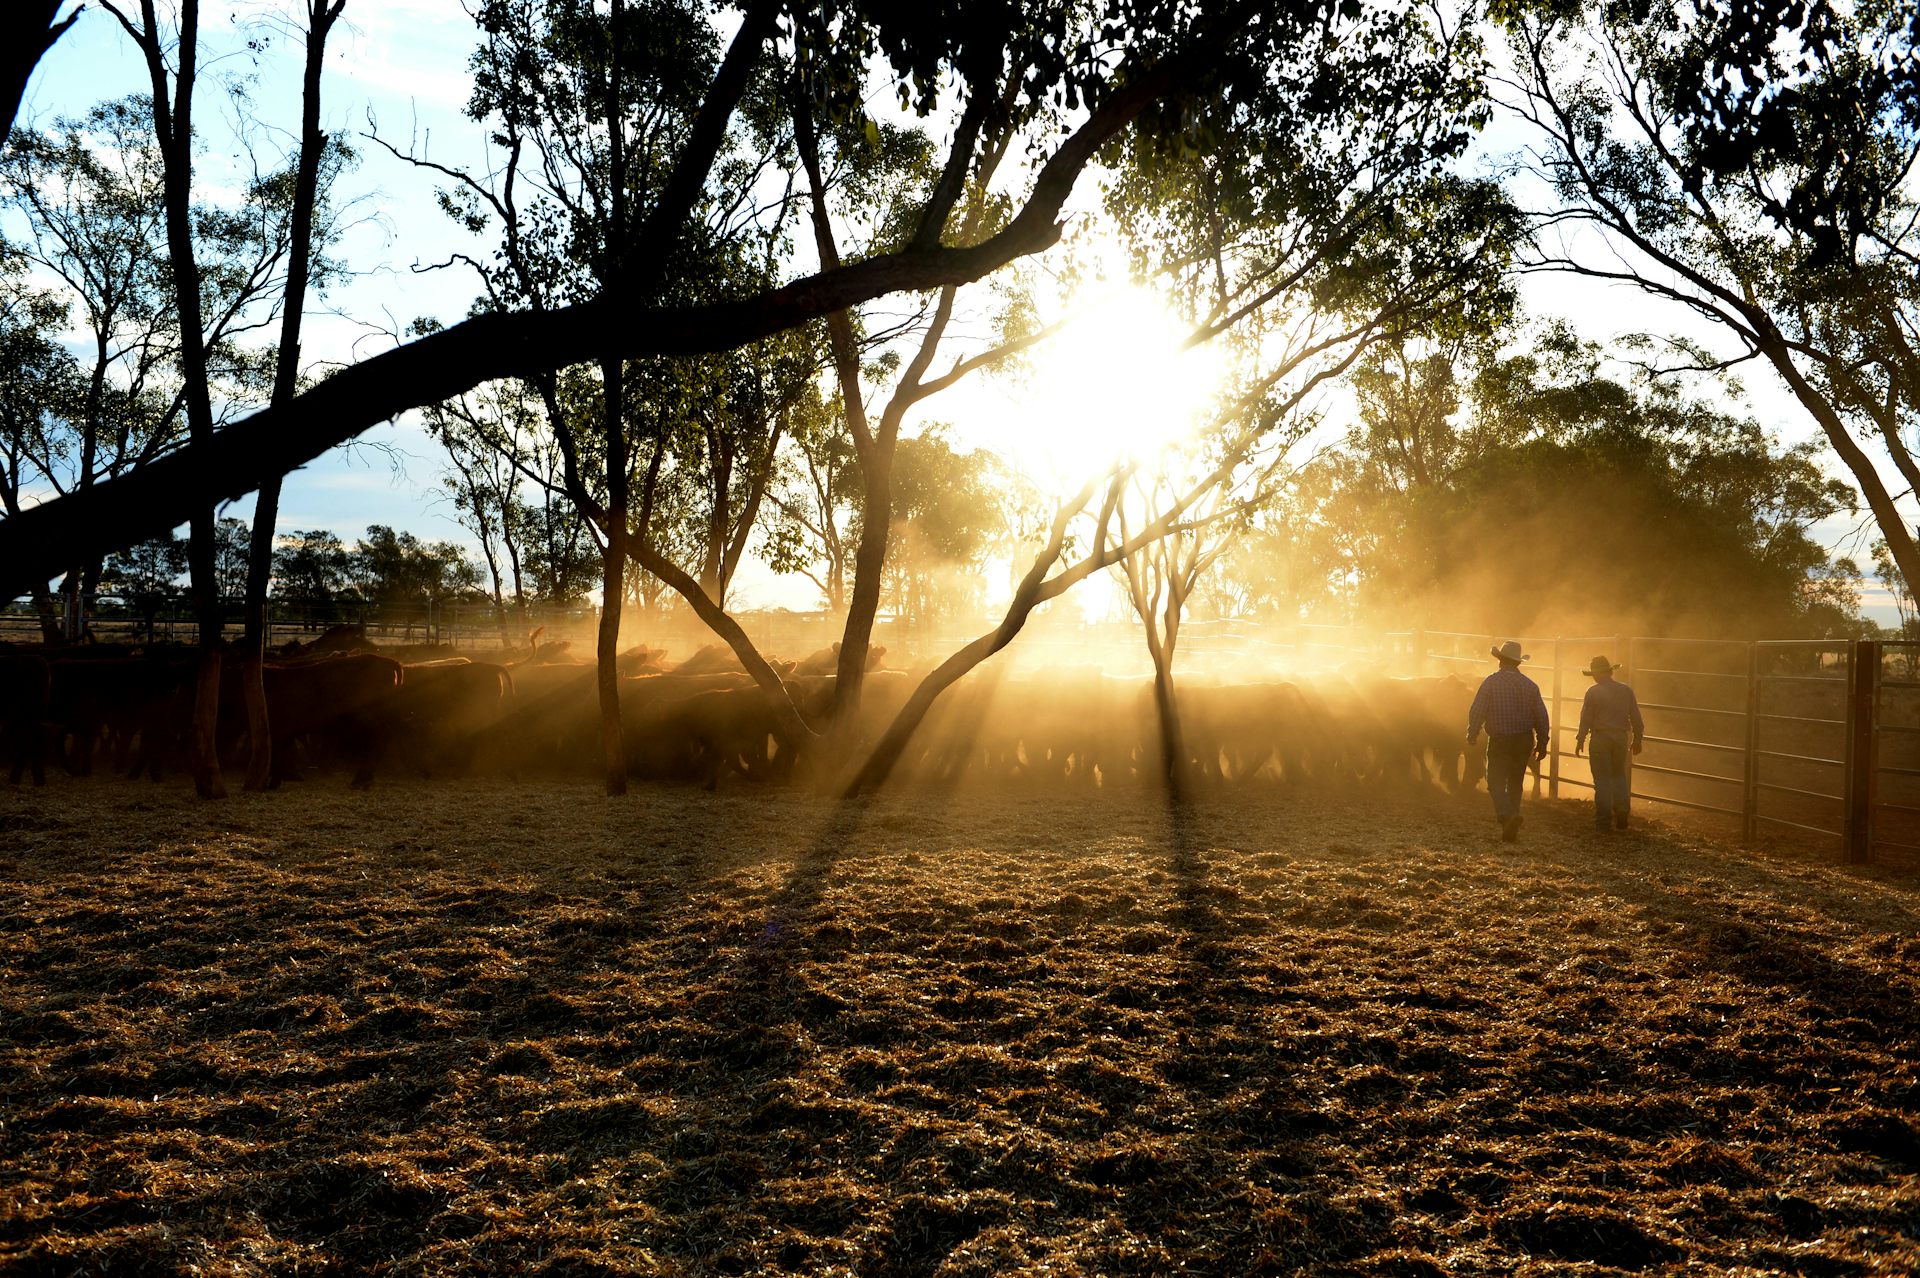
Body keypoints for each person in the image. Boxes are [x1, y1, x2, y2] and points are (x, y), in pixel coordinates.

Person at [1466, 640, 1550, 842]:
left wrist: (1473, 732)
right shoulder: (1530, 686)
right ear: (1518, 663)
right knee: (1515, 782)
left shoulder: (1491, 682)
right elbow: (1541, 715)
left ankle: (1507, 815)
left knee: (1495, 782)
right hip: (1523, 740)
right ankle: (1511, 824)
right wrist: (1542, 741)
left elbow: (1478, 709)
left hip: (1500, 739)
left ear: (1500, 660)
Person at [1573, 655, 1644, 832]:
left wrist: (1581, 738)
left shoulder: (1593, 692)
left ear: (1596, 674)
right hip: (1620, 736)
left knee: (1602, 779)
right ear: (1610, 671)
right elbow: (1635, 716)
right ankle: (1621, 809)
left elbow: (1586, 719)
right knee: (1618, 774)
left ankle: (1603, 820)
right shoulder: (1625, 690)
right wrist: (1637, 738)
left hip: (1600, 737)